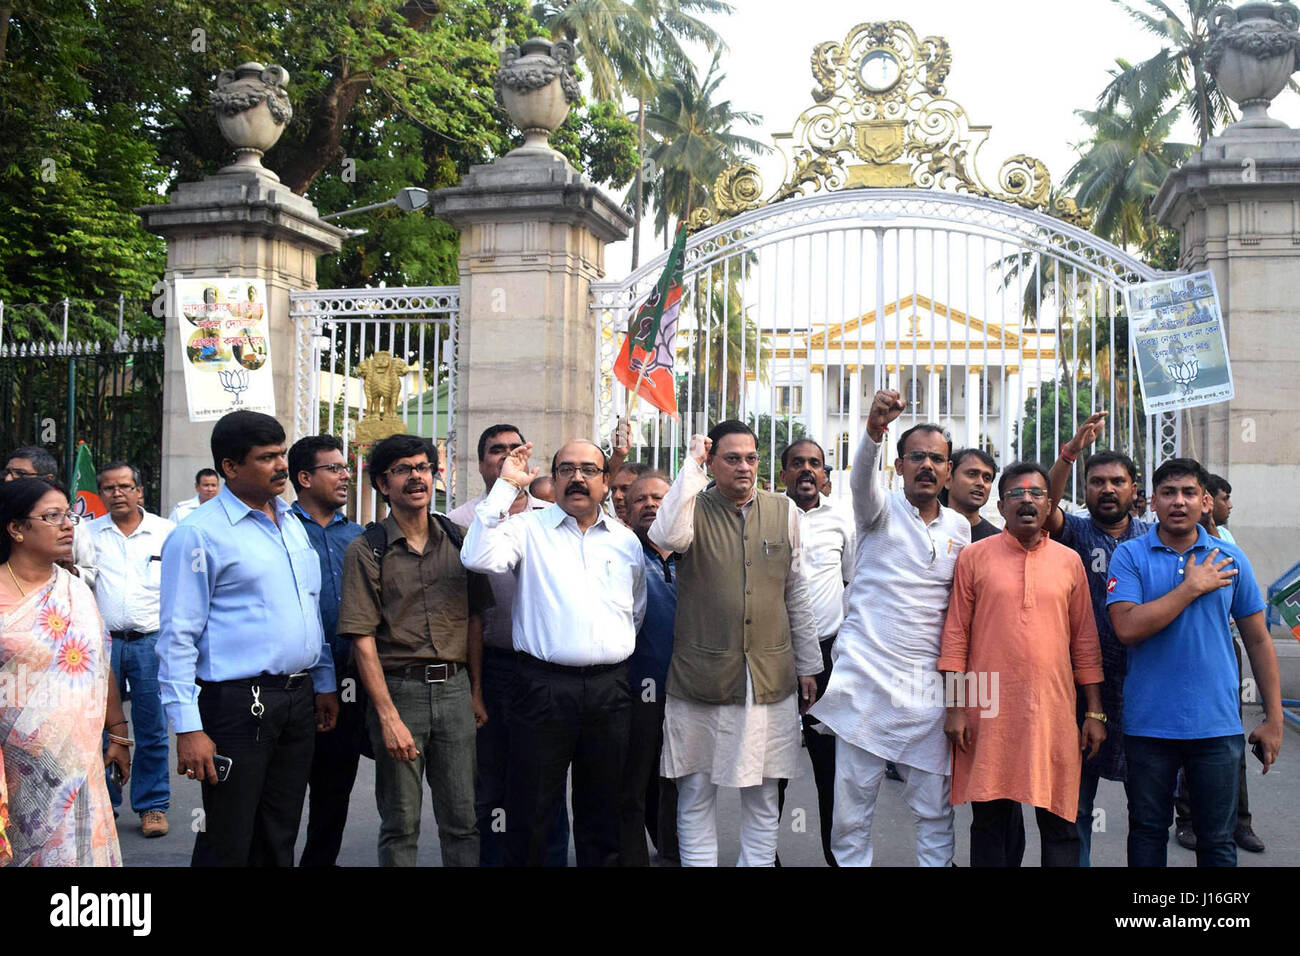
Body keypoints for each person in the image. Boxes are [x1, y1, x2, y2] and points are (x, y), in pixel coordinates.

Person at [158, 410, 338, 867]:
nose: (281, 465)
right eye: (267, 457)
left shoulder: (291, 522)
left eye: (281, 454)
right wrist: (188, 727)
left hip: (296, 700)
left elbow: (308, 609)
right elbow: (178, 636)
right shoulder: (198, 534)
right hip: (237, 706)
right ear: (230, 467)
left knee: (279, 832)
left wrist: (322, 681)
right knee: (227, 835)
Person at [461, 438, 645, 866]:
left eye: (589, 470)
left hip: (610, 689)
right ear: (555, 477)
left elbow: (636, 612)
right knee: (533, 810)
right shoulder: (527, 529)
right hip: (541, 687)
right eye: (566, 469)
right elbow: (475, 556)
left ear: (605, 482)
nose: (577, 478)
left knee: (604, 809)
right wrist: (506, 486)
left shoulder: (625, 541)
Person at [809, 391, 971, 867]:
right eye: (916, 456)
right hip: (866, 684)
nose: (926, 465)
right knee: (851, 813)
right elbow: (860, 479)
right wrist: (873, 432)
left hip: (927, 691)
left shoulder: (959, 530)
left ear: (947, 470)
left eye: (937, 459)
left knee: (934, 813)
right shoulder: (876, 511)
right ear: (898, 467)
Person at [649, 421, 821, 868]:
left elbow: (797, 594)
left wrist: (808, 666)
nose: (743, 467)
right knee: (696, 792)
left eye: (750, 458)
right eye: (731, 458)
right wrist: (689, 467)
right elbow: (665, 537)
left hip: (769, 679)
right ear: (711, 462)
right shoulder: (691, 509)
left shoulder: (785, 512)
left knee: (763, 796)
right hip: (700, 679)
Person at [1107, 457, 1283, 867]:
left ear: (1206, 502)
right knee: (1147, 834)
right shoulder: (1130, 556)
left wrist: (1273, 718)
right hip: (1149, 725)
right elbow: (1128, 628)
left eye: (1189, 493)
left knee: (1218, 841)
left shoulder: (1230, 557)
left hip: (1217, 725)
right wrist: (1191, 587)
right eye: (1168, 493)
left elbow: (1258, 640)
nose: (1178, 502)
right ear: (1152, 501)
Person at [940, 462, 1105, 867]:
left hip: (1052, 708)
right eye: (1016, 494)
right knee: (993, 821)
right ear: (1001, 505)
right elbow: (957, 635)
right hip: (988, 707)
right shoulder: (974, 557)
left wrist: (1095, 711)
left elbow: (1085, 640)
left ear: (1050, 504)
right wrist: (957, 707)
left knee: (1060, 819)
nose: (1026, 500)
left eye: (1035, 494)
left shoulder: (1069, 562)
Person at [338, 435, 488, 866]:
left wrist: (475, 692)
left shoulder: (461, 540)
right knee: (401, 823)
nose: (416, 477)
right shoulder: (367, 550)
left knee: (463, 820)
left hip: (456, 692)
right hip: (399, 694)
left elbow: (475, 620)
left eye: (423, 467)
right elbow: (362, 639)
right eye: (403, 470)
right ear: (383, 485)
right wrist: (387, 717)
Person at [448, 424, 570, 866]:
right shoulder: (460, 524)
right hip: (493, 667)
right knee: (492, 778)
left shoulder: (553, 515)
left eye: (512, 450)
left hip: (547, 670)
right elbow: (463, 610)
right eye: (495, 451)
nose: (504, 457)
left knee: (546, 780)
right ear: (482, 464)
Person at [0, 477, 130, 866]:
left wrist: (119, 733)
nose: (68, 524)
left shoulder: (75, 589)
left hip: (78, 761)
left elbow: (96, 661)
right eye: (52, 516)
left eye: (68, 514)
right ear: (17, 528)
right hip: (13, 767)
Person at [1043, 413, 1150, 865]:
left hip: (1144, 689)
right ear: (1084, 490)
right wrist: (1070, 452)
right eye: (1097, 481)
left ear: (1133, 489)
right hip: (1081, 689)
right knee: (1075, 806)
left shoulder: (1152, 539)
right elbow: (1045, 505)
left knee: (1147, 811)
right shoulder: (1075, 533)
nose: (1107, 489)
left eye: (1117, 481)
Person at [1174, 473, 1264, 854]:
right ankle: (1188, 819)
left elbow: (1255, 627)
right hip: (1178, 656)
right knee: (1181, 746)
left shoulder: (1228, 545)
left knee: (1228, 746)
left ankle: (1238, 822)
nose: (1229, 506)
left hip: (1223, 650)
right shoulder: (1157, 546)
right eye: (1224, 498)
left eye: (1191, 494)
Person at [776, 438, 855, 866]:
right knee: (772, 769)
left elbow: (853, 582)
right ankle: (763, 855)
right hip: (774, 658)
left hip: (827, 660)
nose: (807, 470)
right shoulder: (766, 513)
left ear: (825, 474)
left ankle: (837, 858)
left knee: (832, 771)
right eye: (797, 463)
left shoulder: (843, 518)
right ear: (783, 471)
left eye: (815, 464)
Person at [288, 435, 365, 867]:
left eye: (344, 467)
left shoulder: (357, 536)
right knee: (284, 789)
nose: (345, 475)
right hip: (295, 680)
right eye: (334, 468)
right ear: (304, 477)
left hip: (350, 679)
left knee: (334, 789)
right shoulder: (281, 530)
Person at [88, 460, 175, 838]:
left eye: (125, 486)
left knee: (152, 727)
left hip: (150, 643)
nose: (117, 493)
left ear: (140, 491)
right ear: (101, 494)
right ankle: (105, 804)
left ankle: (152, 805)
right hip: (101, 644)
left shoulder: (167, 532)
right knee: (101, 729)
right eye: (109, 488)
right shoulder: (87, 534)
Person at [619, 470, 680, 866]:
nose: (651, 505)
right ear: (626, 508)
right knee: (633, 783)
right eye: (640, 499)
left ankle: (675, 852)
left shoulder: (694, 552)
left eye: (659, 497)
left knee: (680, 780)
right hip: (634, 688)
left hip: (688, 689)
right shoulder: (621, 551)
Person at [4, 446, 97, 583]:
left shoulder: (73, 523)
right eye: (8, 472)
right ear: (15, 528)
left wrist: (70, 571)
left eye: (20, 473)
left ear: (48, 479)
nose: (8, 479)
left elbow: (90, 573)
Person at [944, 448, 999, 541]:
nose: (981, 483)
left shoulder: (997, 540)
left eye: (987, 478)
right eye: (972, 474)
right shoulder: (925, 531)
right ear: (948, 478)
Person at [609, 461, 650, 525]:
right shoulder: (609, 531)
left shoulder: (662, 530)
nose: (617, 496)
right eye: (613, 490)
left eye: (625, 489)